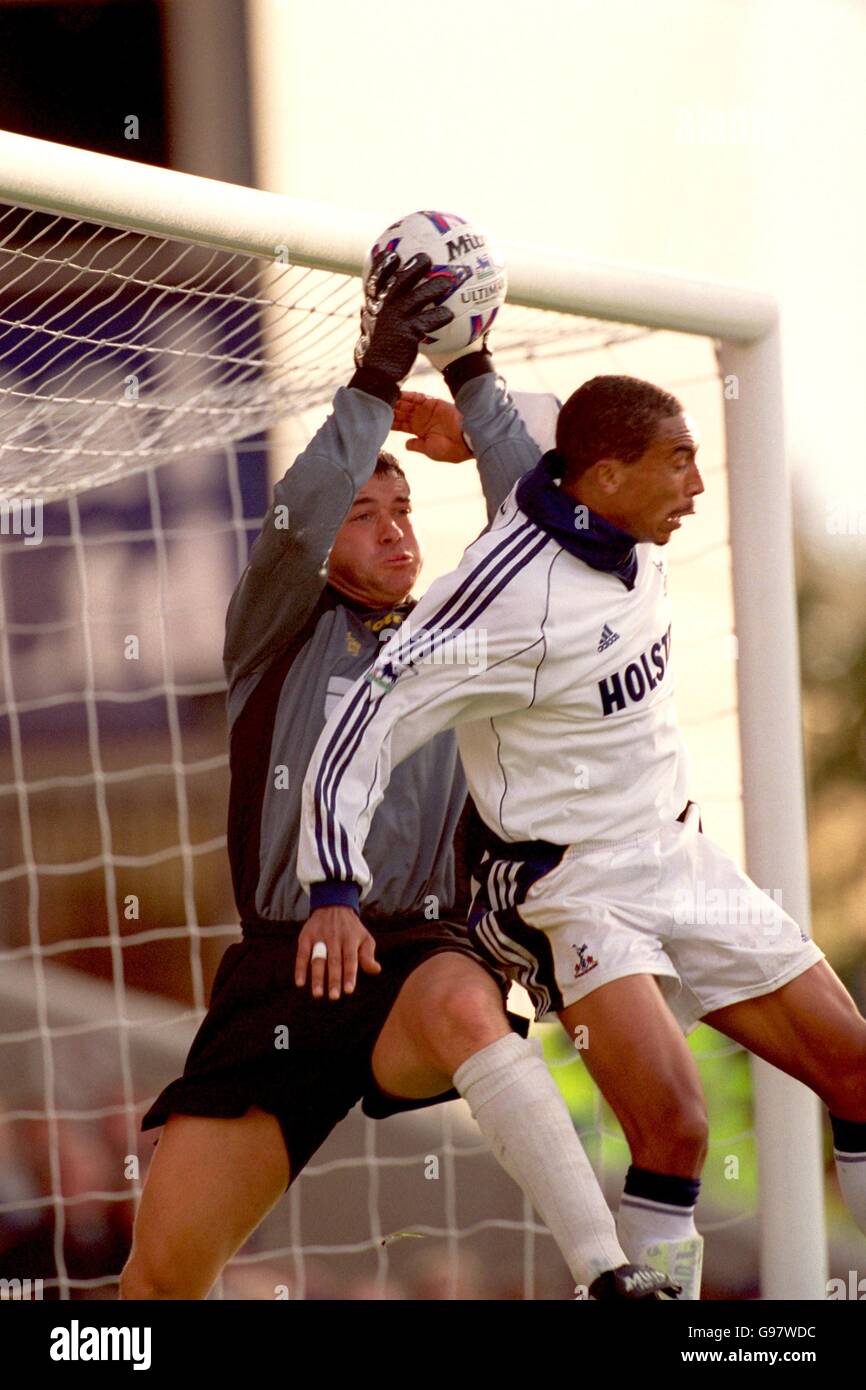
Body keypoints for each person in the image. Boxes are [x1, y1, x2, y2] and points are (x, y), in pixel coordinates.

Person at [120, 252, 671, 1302]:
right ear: (324, 550)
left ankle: (608, 1279)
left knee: (468, 1007)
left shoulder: (464, 641)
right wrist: (378, 363)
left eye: (403, 507)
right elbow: (307, 496)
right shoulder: (276, 628)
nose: (395, 527)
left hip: (412, 954)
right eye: (366, 515)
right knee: (159, 1285)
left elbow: (531, 508)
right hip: (284, 973)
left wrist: (469, 371)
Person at [298, 348, 866, 1300]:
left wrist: (463, 407)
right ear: (607, 479)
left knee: (854, 1066)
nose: (694, 484)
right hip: (569, 888)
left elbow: (548, 414)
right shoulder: (501, 604)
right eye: (678, 461)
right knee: (676, 1125)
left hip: (677, 851)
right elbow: (364, 716)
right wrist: (331, 887)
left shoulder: (588, 473)